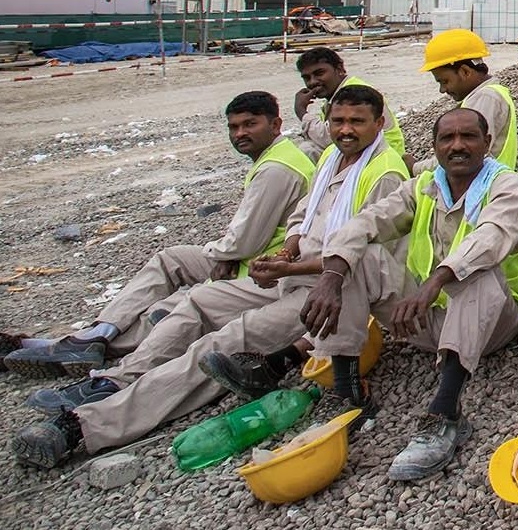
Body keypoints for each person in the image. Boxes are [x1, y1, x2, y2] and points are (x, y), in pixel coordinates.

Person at [11, 87, 409, 468]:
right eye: (339, 120)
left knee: (225, 342)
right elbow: (303, 217)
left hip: (327, 292)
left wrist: (289, 266)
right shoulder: (331, 160)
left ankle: (90, 426)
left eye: (357, 121)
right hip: (291, 274)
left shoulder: (383, 173)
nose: (345, 129)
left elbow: (358, 257)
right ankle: (114, 381)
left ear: (379, 123)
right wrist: (285, 252)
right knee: (197, 303)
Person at [205, 108, 518, 481]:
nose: (458, 146)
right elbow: (366, 222)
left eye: (468, 137)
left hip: (495, 321)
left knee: (474, 274)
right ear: (434, 147)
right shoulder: (426, 185)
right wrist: (331, 276)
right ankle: (350, 392)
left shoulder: (506, 184)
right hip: (429, 319)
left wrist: (435, 282)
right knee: (359, 256)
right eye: (447, 139)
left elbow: (492, 237)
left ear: (488, 143)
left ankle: (445, 413)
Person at [6, 92, 314, 380]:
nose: (239, 134)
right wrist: (223, 253)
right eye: (234, 127)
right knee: (171, 260)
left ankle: (90, 354)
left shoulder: (277, 169)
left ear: (275, 125)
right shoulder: (280, 156)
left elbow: (246, 239)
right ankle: (98, 332)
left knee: (180, 307)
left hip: (262, 268)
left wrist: (224, 256)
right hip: (251, 257)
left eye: (250, 124)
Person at [416, 29, 518, 171]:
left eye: (445, 81)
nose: (442, 90)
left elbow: (464, 154)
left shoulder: (486, 98)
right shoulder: (484, 96)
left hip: (484, 187)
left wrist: (415, 168)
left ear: (465, 72)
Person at [293, 45, 406, 160]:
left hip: (381, 156)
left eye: (319, 73)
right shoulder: (336, 96)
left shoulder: (353, 94)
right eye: (307, 78)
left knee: (308, 150)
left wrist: (302, 112)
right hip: (367, 150)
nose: (313, 82)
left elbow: (329, 138)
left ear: (340, 69)